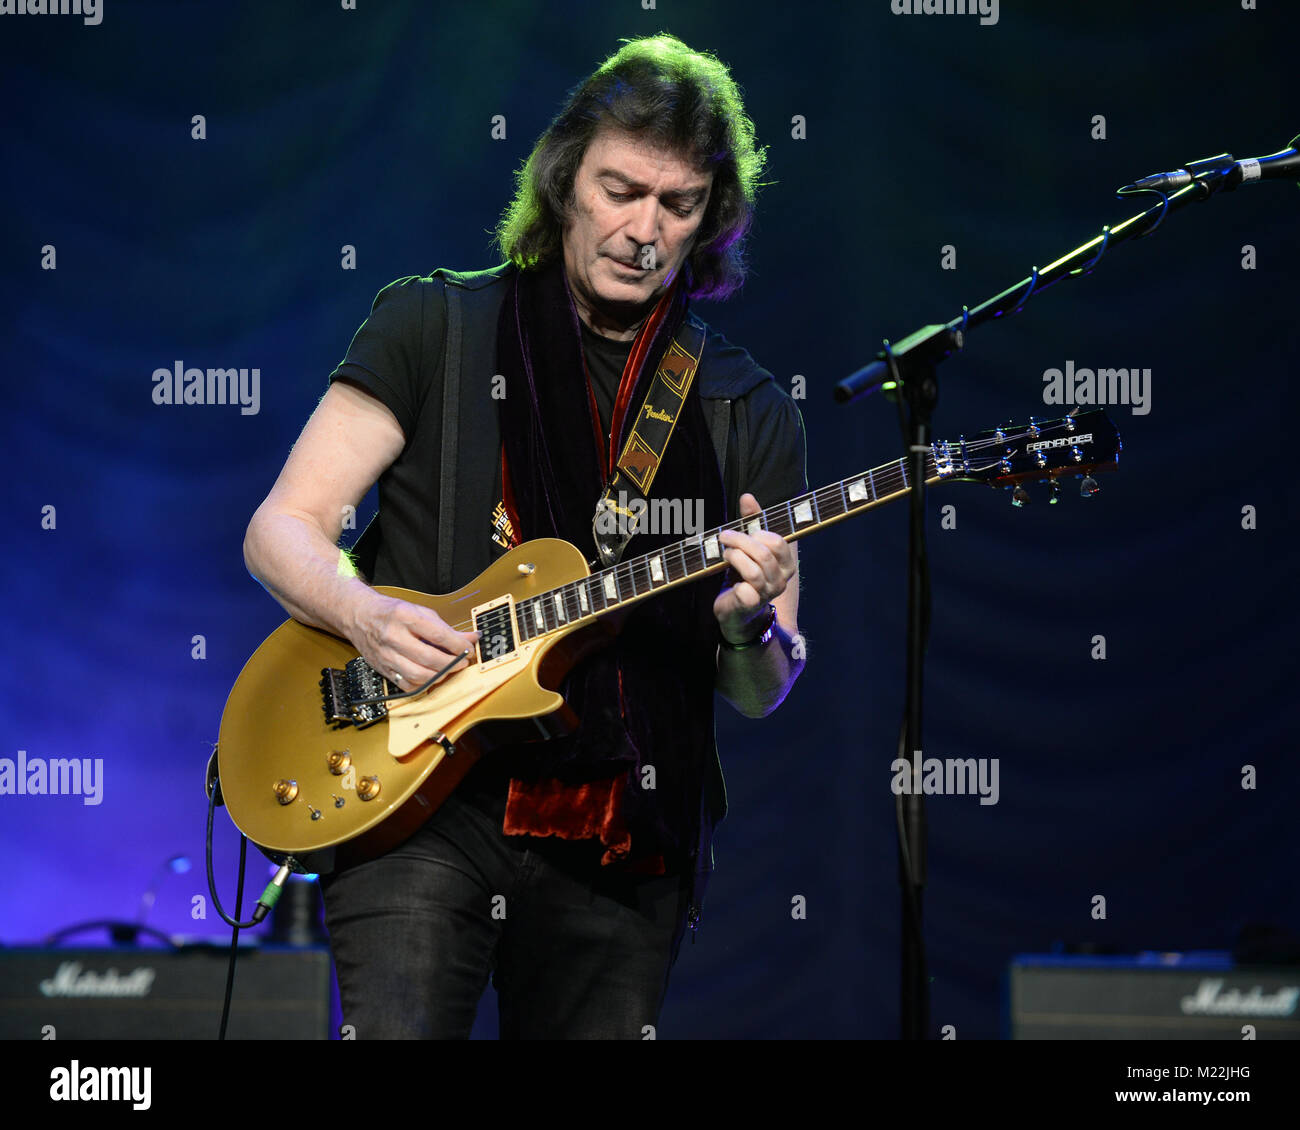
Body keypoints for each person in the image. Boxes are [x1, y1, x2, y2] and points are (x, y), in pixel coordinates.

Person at [243, 33, 809, 1039]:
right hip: (417, 797)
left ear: (711, 217)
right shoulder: (434, 325)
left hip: (626, 836)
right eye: (618, 189)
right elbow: (282, 527)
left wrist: (747, 625)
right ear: (563, 183)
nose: (643, 228)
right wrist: (360, 612)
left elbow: (762, 688)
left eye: (676, 205)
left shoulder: (745, 408)